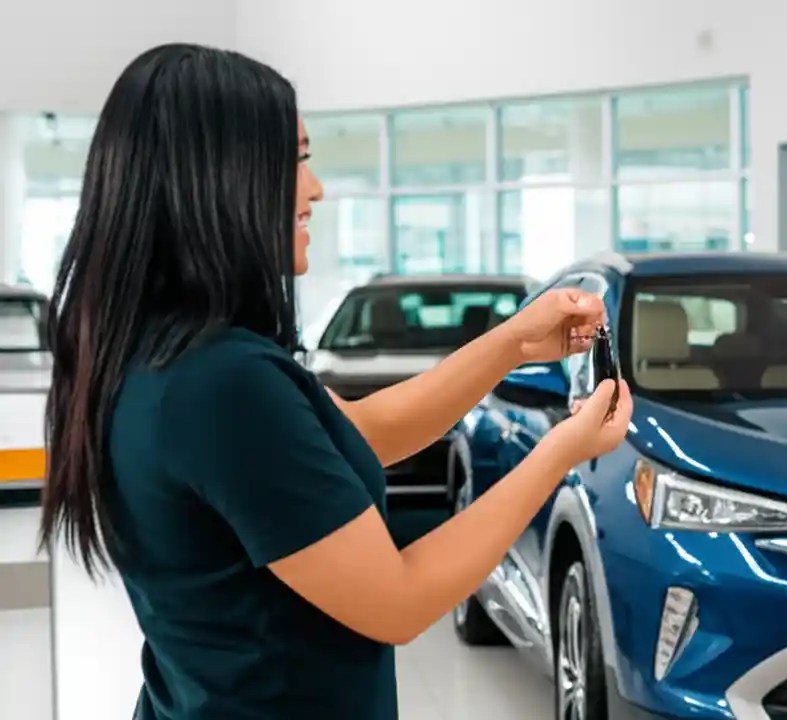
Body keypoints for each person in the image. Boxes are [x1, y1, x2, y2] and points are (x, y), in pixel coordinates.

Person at [36, 44, 633, 720]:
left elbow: (363, 433)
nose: (314, 189)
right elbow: (398, 599)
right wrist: (561, 450)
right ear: (218, 178)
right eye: (295, 162)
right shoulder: (222, 384)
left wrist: (516, 341)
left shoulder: (155, 352)